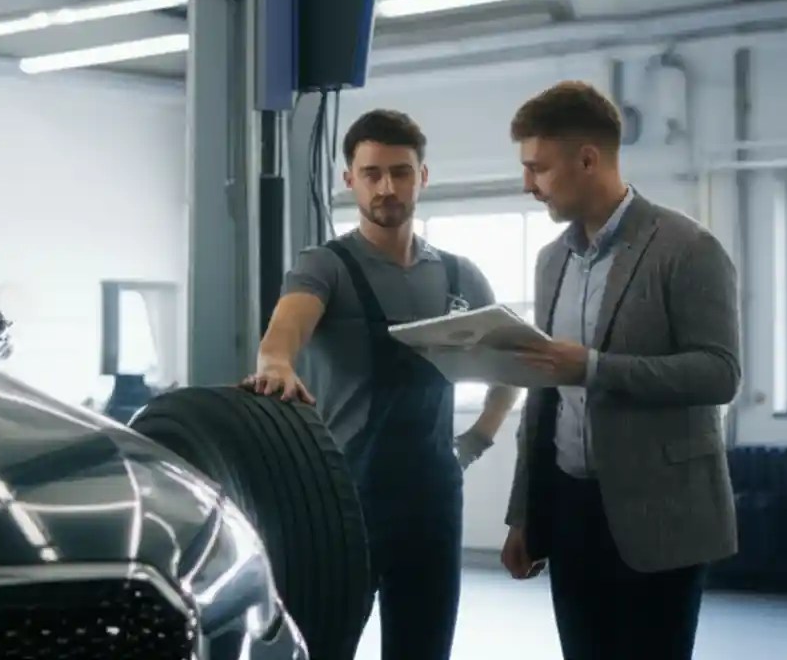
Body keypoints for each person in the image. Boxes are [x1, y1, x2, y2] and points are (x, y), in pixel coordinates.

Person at [243, 108, 520, 660]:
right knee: (322, 646)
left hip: (434, 501)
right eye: (372, 173)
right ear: (350, 180)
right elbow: (283, 334)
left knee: (424, 649)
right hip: (344, 502)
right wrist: (275, 362)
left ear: (423, 176)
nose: (387, 187)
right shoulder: (326, 267)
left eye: (400, 171)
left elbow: (512, 365)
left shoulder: (462, 276)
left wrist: (476, 441)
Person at [499, 81, 741, 660]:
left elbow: (719, 373)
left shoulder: (687, 248)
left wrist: (595, 367)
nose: (528, 184)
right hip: (571, 510)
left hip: (661, 516)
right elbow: (545, 395)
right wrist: (523, 515)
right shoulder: (551, 259)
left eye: (539, 168)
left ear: (588, 159)